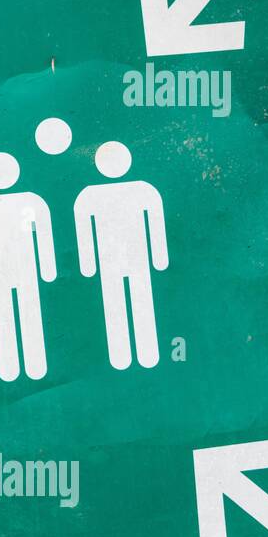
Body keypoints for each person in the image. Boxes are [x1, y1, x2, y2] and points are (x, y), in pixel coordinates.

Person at [0, 152, 57, 382]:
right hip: (0, 273)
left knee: (24, 314)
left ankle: (33, 365)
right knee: (4, 316)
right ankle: (12, 368)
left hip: (22, 271)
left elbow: (41, 235)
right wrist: (47, 269)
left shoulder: (30, 202)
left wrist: (47, 267)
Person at [73, 141, 168, 370]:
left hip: (131, 260)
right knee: (118, 304)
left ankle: (143, 353)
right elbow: (84, 229)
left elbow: (155, 225)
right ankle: (125, 355)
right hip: (113, 262)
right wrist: (89, 264)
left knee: (134, 301)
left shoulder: (142, 190)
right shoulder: (91, 196)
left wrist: (159, 257)